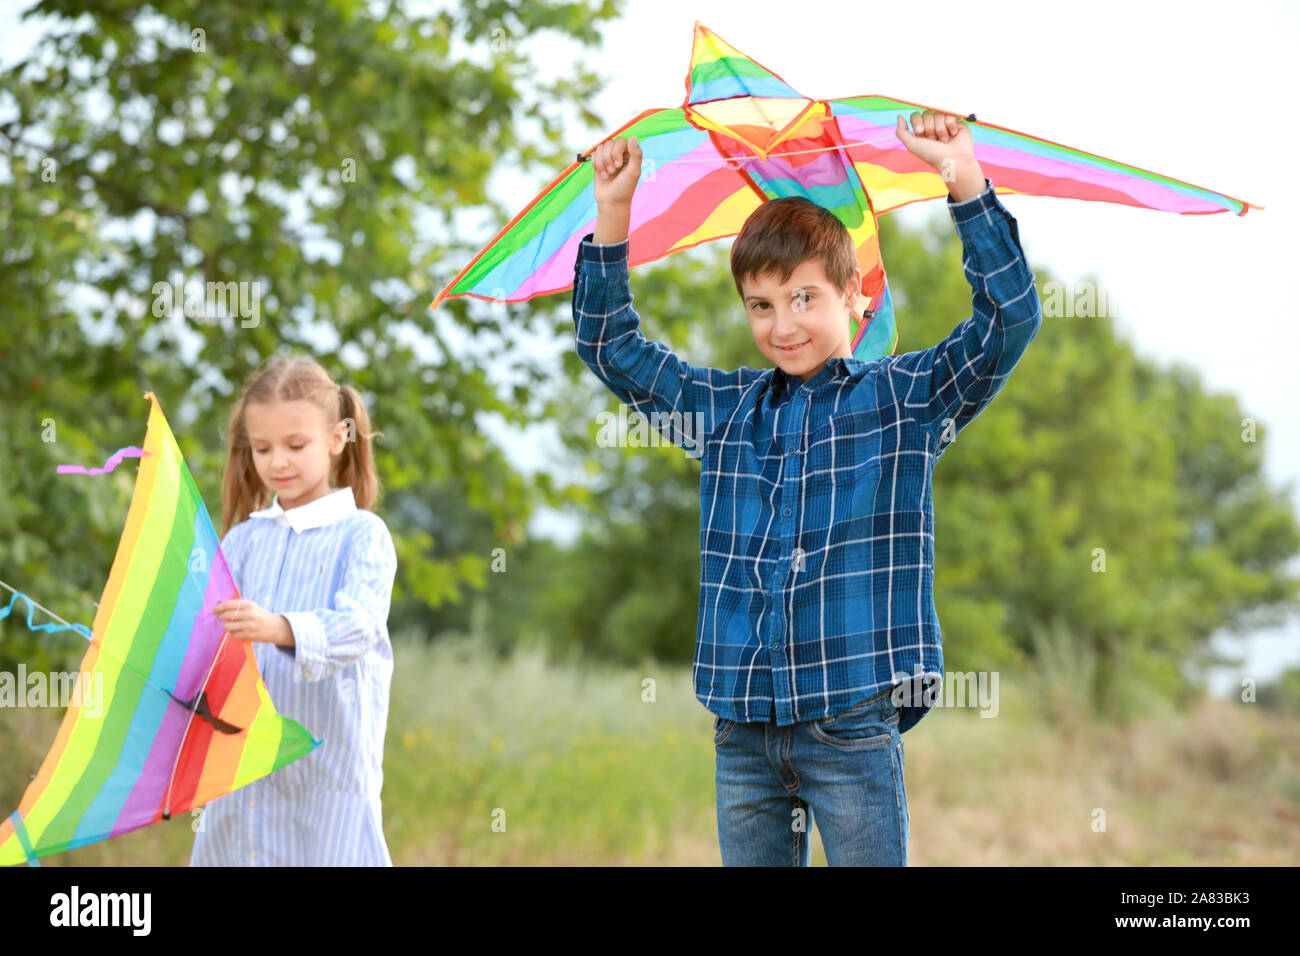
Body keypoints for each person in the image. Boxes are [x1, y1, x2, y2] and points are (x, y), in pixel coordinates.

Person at [572, 110, 1041, 865]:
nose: (782, 325)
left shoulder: (903, 399)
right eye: (761, 304)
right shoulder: (723, 413)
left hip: (852, 719)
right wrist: (616, 211)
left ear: (855, 296)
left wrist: (962, 177)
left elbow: (1009, 319)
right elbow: (610, 346)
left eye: (804, 299)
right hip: (744, 727)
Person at [190, 354, 398, 866]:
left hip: (328, 780)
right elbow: (204, 641)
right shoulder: (241, 541)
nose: (277, 462)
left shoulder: (362, 535)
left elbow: (359, 628)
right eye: (262, 448)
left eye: (295, 445)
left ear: (336, 438)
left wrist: (278, 628)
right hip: (244, 781)